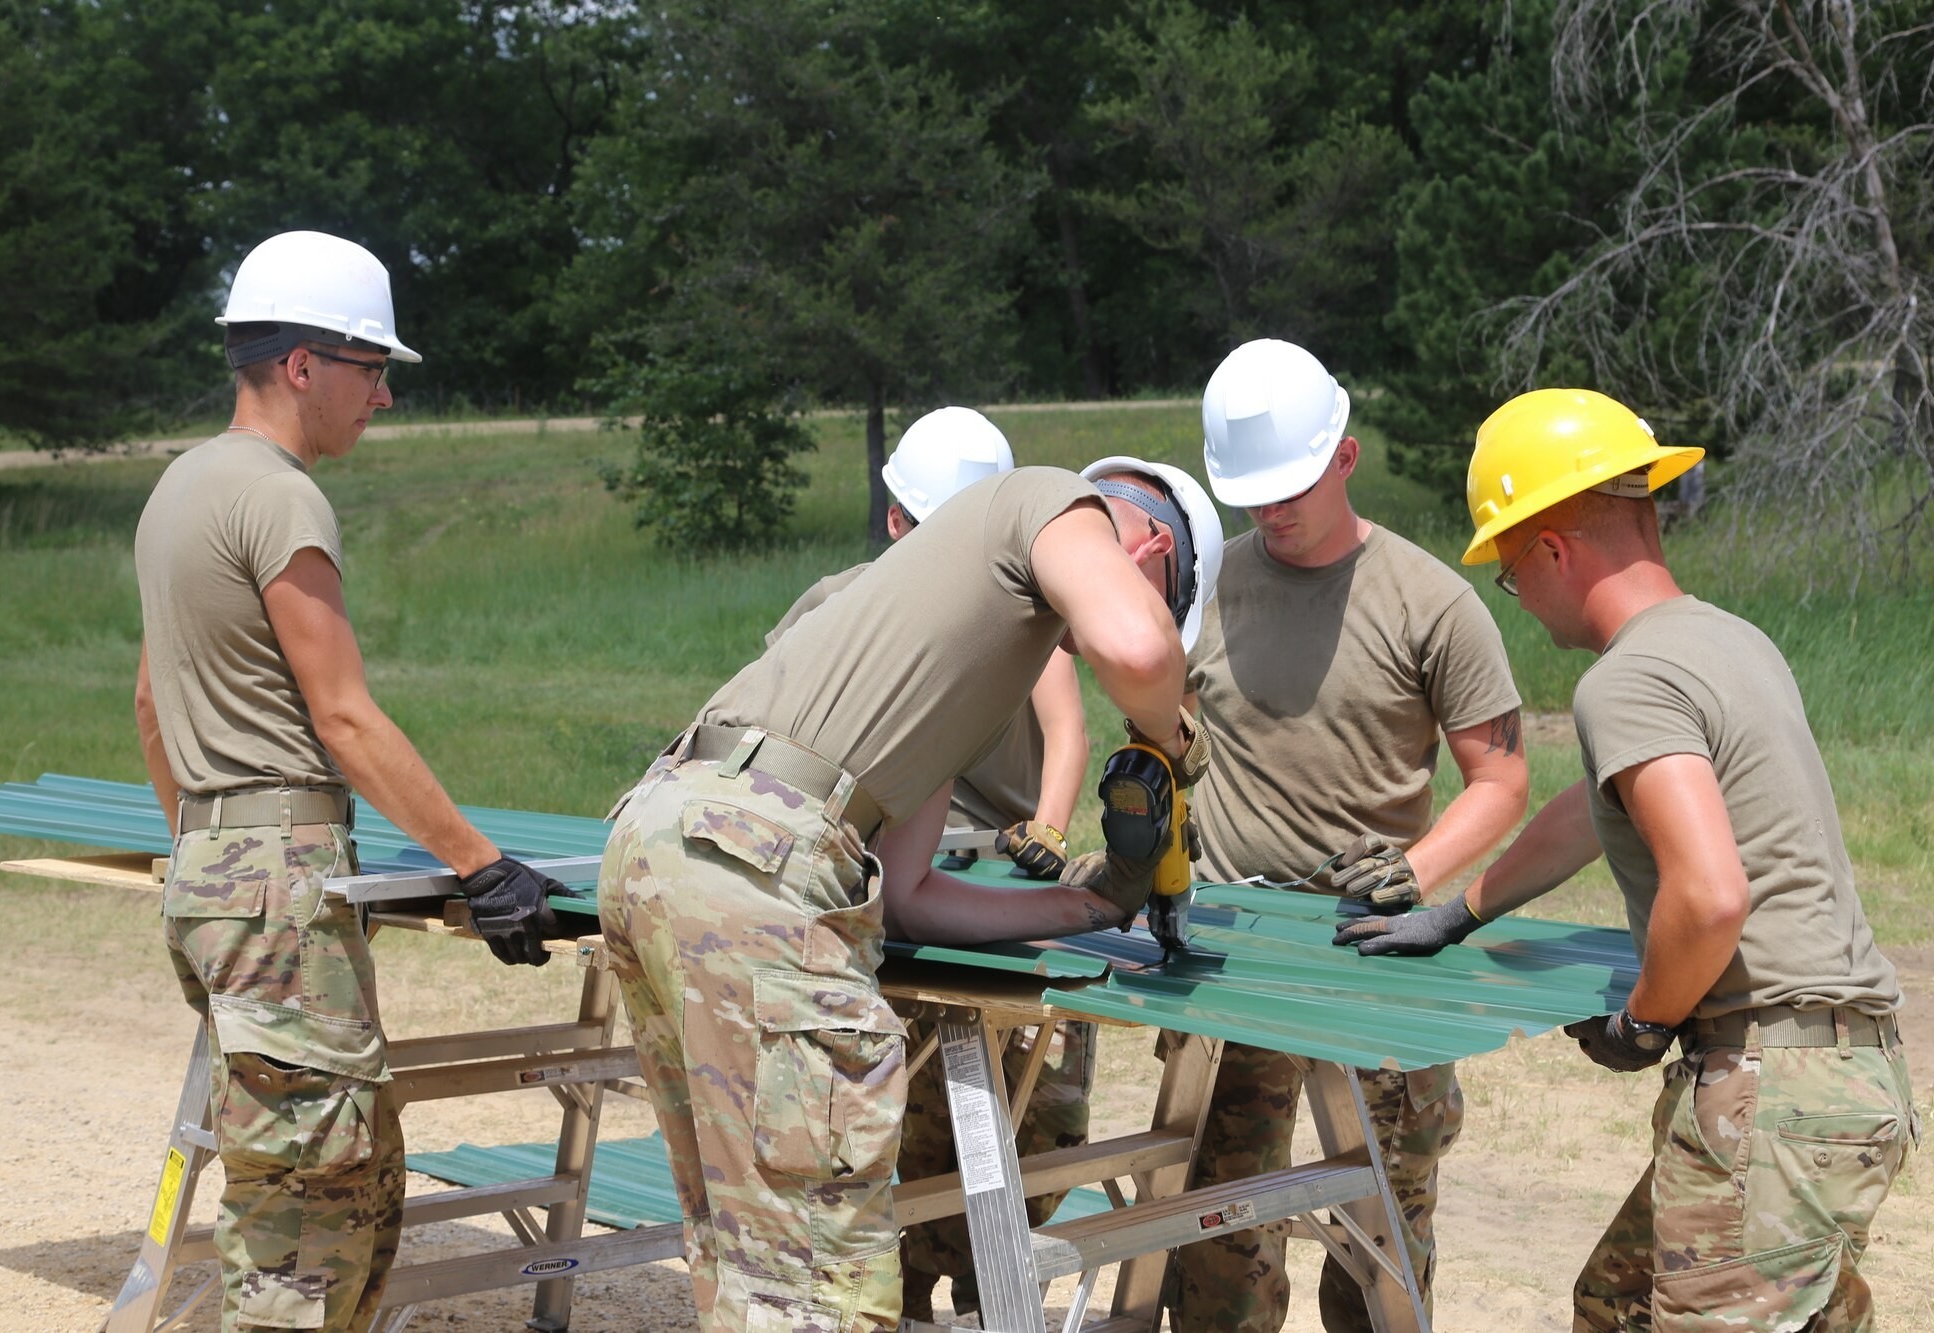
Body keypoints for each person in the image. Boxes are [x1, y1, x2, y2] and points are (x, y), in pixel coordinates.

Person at [599, 455, 1224, 1330]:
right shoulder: (1056, 500)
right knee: (827, 1288)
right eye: (1161, 598)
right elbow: (1141, 648)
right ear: (1151, 547)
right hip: (762, 861)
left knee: (752, 1258)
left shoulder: (958, 638)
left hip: (667, 837)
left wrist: (1091, 906)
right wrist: (1173, 745)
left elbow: (909, 896)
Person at [1337, 387, 1917, 1331]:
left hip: (1770, 1083)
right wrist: (1460, 909)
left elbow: (1710, 893)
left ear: (1552, 550)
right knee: (1616, 1303)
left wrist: (1643, 1024)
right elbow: (1591, 809)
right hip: (1841, 1075)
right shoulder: (1726, 639)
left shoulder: (1628, 678)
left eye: (1511, 576)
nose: (1521, 601)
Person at [132, 230, 564, 1331]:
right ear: (301, 365)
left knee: (334, 1172)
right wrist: (482, 866)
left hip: (212, 870)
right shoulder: (280, 498)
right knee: (310, 1214)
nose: (383, 396)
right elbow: (345, 715)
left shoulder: (179, 488)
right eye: (371, 368)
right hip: (277, 882)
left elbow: (149, 703)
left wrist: (208, 852)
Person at [1169, 339, 1530, 1332]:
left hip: (1370, 953)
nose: (1270, 510)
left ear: (1344, 457)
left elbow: (1501, 779)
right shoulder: (1207, 586)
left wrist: (1411, 871)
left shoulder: (1429, 602)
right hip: (1232, 952)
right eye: (1251, 494)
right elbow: (1163, 740)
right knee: (1219, 1215)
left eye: (1290, 487)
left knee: (1383, 1216)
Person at [763, 406, 1095, 1321]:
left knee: (1041, 1114)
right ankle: (905, 1289)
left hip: (1001, 870)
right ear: (895, 521)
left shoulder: (1020, 610)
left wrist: (1051, 826)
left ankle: (991, 1280)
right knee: (898, 1109)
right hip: (880, 875)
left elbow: (1068, 728)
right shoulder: (838, 605)